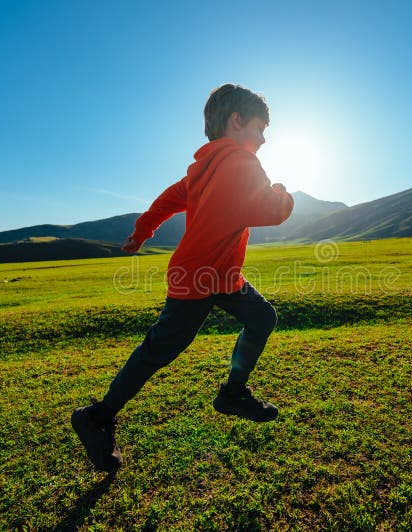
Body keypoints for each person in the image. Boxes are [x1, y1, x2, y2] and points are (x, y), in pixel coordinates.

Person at [71, 84, 294, 472]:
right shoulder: (241, 163)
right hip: (198, 278)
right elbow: (271, 211)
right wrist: (281, 192)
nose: (264, 138)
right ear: (236, 120)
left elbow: (167, 199)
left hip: (222, 276)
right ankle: (97, 417)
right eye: (259, 128)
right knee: (159, 350)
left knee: (262, 317)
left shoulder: (202, 169)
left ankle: (232, 394)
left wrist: (141, 233)